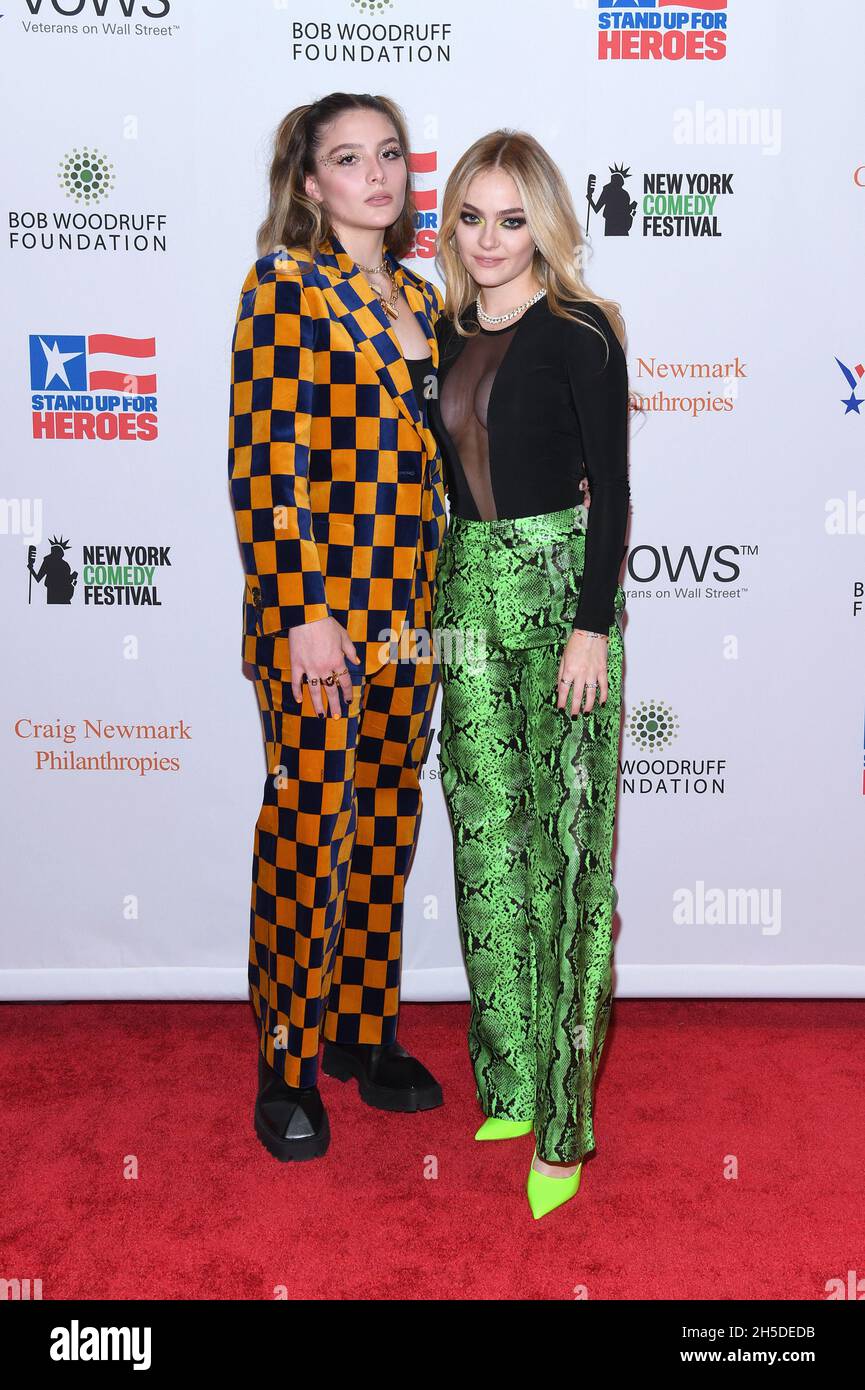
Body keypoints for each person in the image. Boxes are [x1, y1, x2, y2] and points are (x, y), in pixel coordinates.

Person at [227, 92, 448, 1162]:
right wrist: (302, 610)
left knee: (389, 824)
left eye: (390, 153)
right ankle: (283, 1058)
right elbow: (267, 464)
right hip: (321, 613)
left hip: (415, 621)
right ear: (309, 184)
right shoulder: (285, 286)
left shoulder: (421, 292)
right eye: (347, 158)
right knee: (309, 826)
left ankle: (363, 1033)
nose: (375, 172)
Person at [427, 130, 631, 1218]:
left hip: (562, 601)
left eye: (512, 219)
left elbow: (617, 492)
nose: (491, 240)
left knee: (567, 860)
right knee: (489, 850)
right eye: (472, 217)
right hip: (461, 603)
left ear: (543, 222)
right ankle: (506, 1078)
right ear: (450, 223)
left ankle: (562, 1122)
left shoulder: (582, 331)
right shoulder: (442, 327)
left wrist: (591, 627)